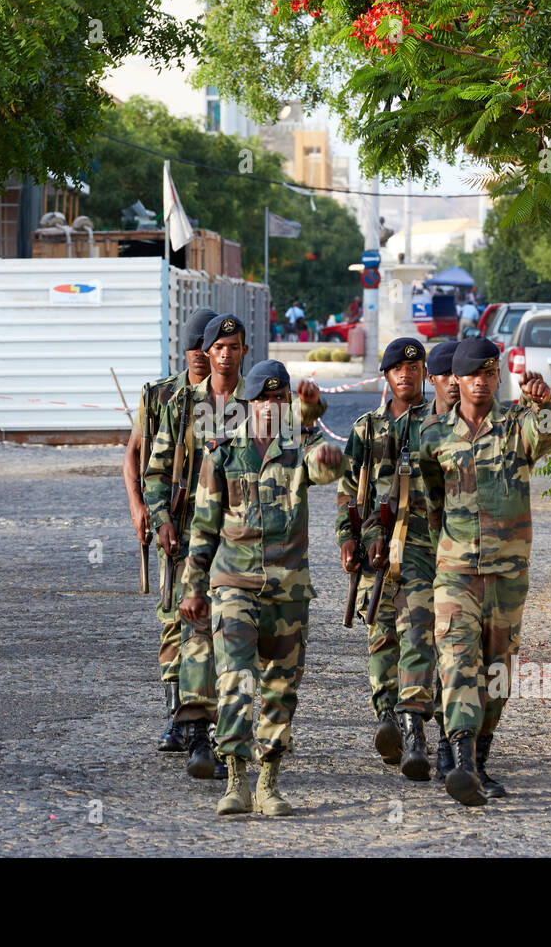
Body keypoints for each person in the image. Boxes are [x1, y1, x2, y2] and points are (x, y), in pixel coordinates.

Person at [149, 314, 326, 780]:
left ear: (244, 352)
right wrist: (159, 518)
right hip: (195, 533)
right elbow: (156, 468)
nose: (226, 353)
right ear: (207, 352)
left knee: (233, 647)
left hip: (247, 545)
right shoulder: (183, 403)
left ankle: (233, 743)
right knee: (196, 634)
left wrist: (311, 415)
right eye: (218, 346)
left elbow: (309, 445)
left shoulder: (267, 408)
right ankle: (198, 734)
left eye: (234, 346)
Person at [180, 360, 342, 816]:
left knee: (280, 687)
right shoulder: (224, 451)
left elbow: (325, 464)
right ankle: (235, 779)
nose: (272, 406)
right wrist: (193, 588)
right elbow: (203, 527)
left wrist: (332, 460)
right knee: (236, 678)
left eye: (280, 397)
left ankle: (269, 782)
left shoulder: (300, 442)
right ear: (247, 404)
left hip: (289, 590)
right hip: (234, 582)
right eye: (264, 398)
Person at [419, 337, 551, 806]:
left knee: (498, 671)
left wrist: (545, 402)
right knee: (458, 661)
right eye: (471, 375)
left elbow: (547, 434)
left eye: (488, 373)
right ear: (455, 381)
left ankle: (479, 757)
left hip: (507, 574)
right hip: (456, 571)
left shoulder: (516, 424)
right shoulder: (435, 435)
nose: (481, 381)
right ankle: (460, 761)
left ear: (496, 375)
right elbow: (432, 497)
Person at [336, 338, 446, 782]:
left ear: (424, 375)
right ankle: (388, 717)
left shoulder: (436, 423)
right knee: (381, 634)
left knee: (417, 630)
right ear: (385, 376)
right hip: (373, 547)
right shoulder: (366, 428)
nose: (406, 374)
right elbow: (348, 492)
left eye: (414, 368)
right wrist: (348, 540)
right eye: (397, 369)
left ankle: (415, 727)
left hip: (421, 543)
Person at [122, 308, 217, 753]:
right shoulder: (161, 396)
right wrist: (139, 508)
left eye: (207, 345)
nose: (200, 353)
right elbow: (134, 457)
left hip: (216, 527)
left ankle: (206, 718)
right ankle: (174, 717)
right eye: (194, 345)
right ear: (185, 347)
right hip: (172, 523)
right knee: (173, 619)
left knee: (211, 620)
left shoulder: (226, 400)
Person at [426, 341, 460, 415]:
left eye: (459, 374)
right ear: (431, 379)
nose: (454, 381)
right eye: (446, 374)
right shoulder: (411, 421)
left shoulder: (483, 421)